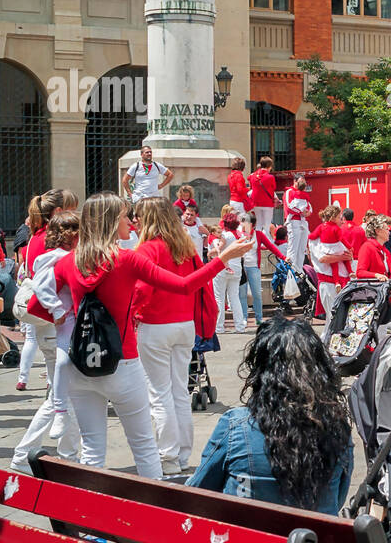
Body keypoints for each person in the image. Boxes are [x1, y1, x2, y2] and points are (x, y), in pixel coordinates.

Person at [189, 318, 354, 543]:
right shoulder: (337, 428)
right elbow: (336, 500)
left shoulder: (235, 425)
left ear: (260, 369)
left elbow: (198, 495)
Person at [52, 192, 249, 478]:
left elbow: (37, 306)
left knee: (93, 447)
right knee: (152, 434)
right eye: (124, 216)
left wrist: (66, 318)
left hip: (84, 361)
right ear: (109, 222)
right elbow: (184, 286)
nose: (131, 223)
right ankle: (174, 463)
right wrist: (222, 259)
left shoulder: (67, 262)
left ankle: (89, 510)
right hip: (132, 355)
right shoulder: (131, 258)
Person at [131, 199, 210, 475]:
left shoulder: (147, 248)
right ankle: (183, 454)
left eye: (138, 216)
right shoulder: (186, 245)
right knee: (179, 391)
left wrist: (134, 315)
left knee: (159, 393)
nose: (135, 221)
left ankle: (168, 455)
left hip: (155, 324)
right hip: (184, 322)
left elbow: (141, 290)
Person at [10, 212, 82, 470]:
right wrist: (57, 311)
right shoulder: (60, 258)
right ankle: (64, 457)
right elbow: (43, 286)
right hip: (57, 330)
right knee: (64, 395)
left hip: (50, 329)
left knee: (60, 395)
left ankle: (63, 455)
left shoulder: (45, 252)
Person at [237, 211, 286, 329]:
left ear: (252, 224)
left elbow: (271, 246)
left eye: (246, 222)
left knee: (257, 293)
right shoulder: (238, 234)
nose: (244, 224)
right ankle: (244, 318)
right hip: (241, 266)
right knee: (242, 294)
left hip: (254, 267)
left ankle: (259, 318)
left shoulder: (258, 234)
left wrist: (283, 257)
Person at [308, 204, 352, 332]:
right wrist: (343, 257)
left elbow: (346, 253)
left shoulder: (336, 233)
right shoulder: (316, 239)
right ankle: (329, 345)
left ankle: (329, 344)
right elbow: (323, 259)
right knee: (334, 317)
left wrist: (347, 256)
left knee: (339, 318)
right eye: (339, 217)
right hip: (328, 283)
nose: (341, 220)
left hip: (342, 281)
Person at [210, 213, 245, 334]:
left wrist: (211, 253)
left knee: (219, 297)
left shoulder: (225, 235)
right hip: (237, 267)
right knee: (234, 297)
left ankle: (219, 327)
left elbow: (219, 248)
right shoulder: (240, 235)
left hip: (223, 266)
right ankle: (240, 326)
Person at [356, 214, 391, 311]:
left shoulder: (385, 251)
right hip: (370, 297)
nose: (389, 232)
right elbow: (360, 272)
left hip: (382, 295)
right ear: (378, 231)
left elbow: (389, 273)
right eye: (386, 229)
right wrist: (376, 275)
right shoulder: (367, 247)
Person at [282, 174, 312, 271]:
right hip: (293, 221)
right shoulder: (289, 192)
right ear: (295, 181)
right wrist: (301, 212)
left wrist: (307, 212)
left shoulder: (303, 193)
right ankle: (289, 272)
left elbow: (309, 207)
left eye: (304, 181)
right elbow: (289, 206)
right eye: (300, 181)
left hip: (302, 221)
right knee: (293, 248)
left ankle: (298, 271)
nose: (303, 183)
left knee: (301, 249)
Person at [249, 157, 277, 231]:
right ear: (269, 166)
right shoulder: (270, 177)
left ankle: (257, 241)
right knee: (266, 225)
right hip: (267, 203)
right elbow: (273, 187)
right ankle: (265, 241)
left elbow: (251, 186)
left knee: (258, 224)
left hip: (256, 203)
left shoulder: (253, 176)